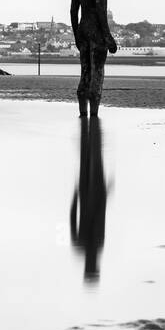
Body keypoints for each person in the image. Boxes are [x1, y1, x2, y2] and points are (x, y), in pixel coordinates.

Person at [70, 0, 117, 118]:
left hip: (82, 29)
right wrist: (108, 36)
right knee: (97, 72)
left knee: (85, 72)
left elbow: (73, 10)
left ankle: (83, 114)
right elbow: (100, 10)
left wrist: (76, 34)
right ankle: (94, 116)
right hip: (96, 31)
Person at [70, 115, 110, 283]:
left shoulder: (83, 246)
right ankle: (91, 131)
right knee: (92, 160)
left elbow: (72, 219)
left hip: (89, 195)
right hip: (92, 194)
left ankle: (90, 131)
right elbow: (101, 216)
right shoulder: (88, 246)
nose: (95, 263)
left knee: (89, 161)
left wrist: (75, 196)